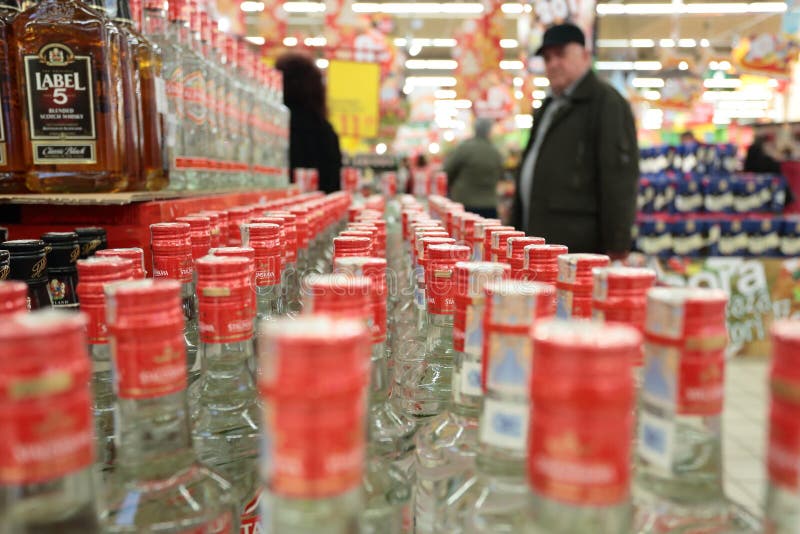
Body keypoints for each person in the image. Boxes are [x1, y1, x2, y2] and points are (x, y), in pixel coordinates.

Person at [511, 23, 639, 258]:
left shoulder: (607, 103)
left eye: (560, 54)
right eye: (547, 58)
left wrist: (618, 247)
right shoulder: (547, 107)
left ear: (585, 55)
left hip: (579, 249)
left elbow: (619, 179)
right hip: (540, 244)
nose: (553, 64)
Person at [276, 52, 342, 193]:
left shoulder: (269, 124)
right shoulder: (325, 131)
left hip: (269, 208)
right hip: (318, 211)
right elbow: (333, 186)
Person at [443, 118, 503, 219]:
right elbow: (499, 175)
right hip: (489, 205)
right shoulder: (495, 152)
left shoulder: (464, 148)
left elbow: (447, 171)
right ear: (489, 131)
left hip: (464, 204)